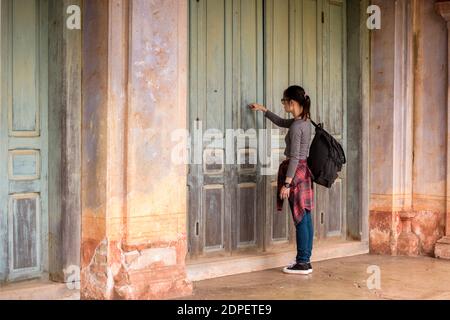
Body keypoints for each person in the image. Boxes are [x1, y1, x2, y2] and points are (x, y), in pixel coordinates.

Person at [249, 85, 314, 275]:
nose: (283, 104)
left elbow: (294, 157)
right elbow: (282, 122)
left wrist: (287, 183)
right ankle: (306, 259)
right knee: (306, 216)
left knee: (300, 218)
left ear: (292, 102)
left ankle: (302, 262)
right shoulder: (303, 121)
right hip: (304, 171)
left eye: (284, 101)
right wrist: (264, 110)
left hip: (296, 172)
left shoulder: (296, 127)